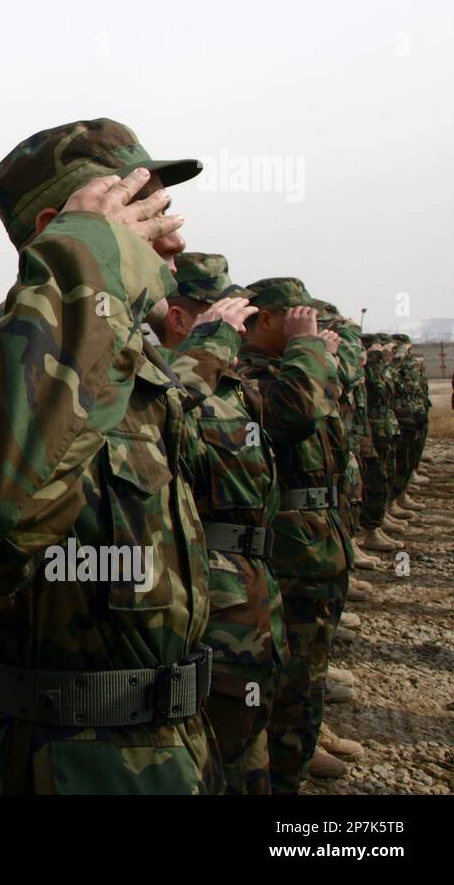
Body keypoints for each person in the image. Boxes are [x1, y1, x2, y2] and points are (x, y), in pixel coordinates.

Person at [0, 118, 226, 795]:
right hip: (69, 760)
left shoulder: (127, 360)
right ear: (64, 228)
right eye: (141, 212)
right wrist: (86, 258)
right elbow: (5, 498)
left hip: (175, 743)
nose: (173, 239)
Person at [148, 252, 288, 794]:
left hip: (254, 592)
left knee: (250, 742)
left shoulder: (233, 386)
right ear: (182, 320)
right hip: (211, 602)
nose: (244, 327)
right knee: (215, 747)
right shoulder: (160, 390)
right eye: (227, 313)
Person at [236, 278, 348, 793]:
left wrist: (313, 354)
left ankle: (303, 744)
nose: (309, 326)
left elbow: (330, 413)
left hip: (319, 543)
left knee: (309, 668)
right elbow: (294, 416)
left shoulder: (290, 370)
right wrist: (307, 350)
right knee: (286, 674)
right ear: (263, 321)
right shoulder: (243, 375)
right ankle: (284, 768)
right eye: (295, 317)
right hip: (286, 553)